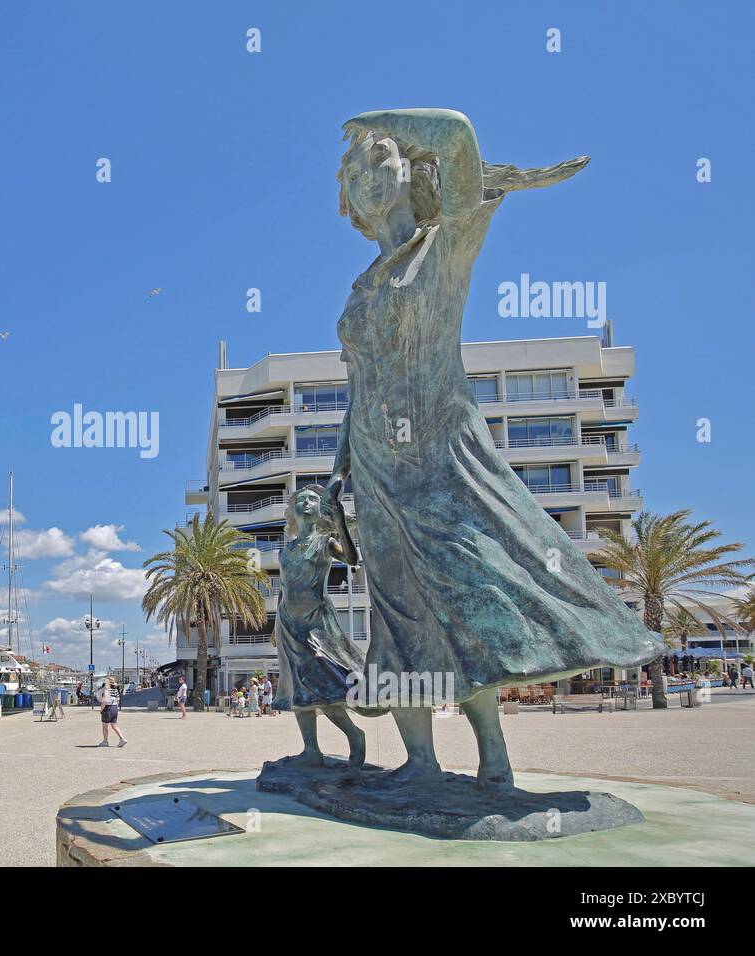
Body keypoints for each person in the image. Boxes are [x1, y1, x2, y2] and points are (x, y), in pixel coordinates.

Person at [329, 110, 662, 788]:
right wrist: (339, 475)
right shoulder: (363, 287)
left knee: (464, 600)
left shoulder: (444, 244)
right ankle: (419, 762)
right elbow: (359, 388)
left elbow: (456, 139)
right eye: (351, 175)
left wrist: (384, 122)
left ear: (409, 169)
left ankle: (495, 763)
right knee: (397, 615)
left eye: (377, 163)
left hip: (441, 458)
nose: (364, 180)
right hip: (374, 468)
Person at [274, 484, 369, 765]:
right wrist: (273, 629)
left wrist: (340, 524)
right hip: (288, 624)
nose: (305, 503)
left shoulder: (324, 541)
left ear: (319, 510)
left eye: (312, 500)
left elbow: (352, 559)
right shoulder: (286, 551)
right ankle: (311, 751)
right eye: (299, 500)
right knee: (299, 692)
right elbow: (283, 588)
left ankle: (354, 735)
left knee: (325, 690)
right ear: (292, 511)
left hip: (316, 625)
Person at [98, 677, 127, 747]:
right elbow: (117, 700)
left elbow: (104, 701)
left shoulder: (106, 690)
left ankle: (105, 741)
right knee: (114, 725)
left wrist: (101, 709)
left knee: (105, 726)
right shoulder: (116, 691)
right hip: (114, 708)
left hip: (107, 708)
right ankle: (122, 738)